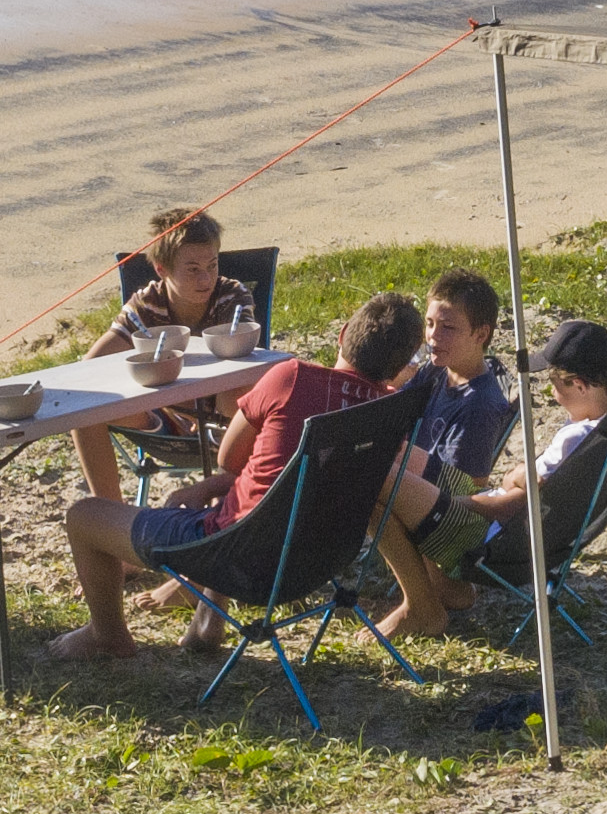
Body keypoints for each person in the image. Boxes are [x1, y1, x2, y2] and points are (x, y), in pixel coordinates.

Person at [52, 289, 423, 663]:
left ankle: (107, 636)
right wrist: (211, 486)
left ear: (342, 334)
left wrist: (213, 481)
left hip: (239, 557)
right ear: (401, 366)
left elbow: (230, 458)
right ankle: (207, 620)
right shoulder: (389, 412)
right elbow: (285, 478)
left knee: (84, 516)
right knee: (247, 499)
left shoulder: (292, 377)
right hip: (318, 561)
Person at [371, 270, 521, 640]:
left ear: (480, 334)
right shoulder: (439, 373)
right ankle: (447, 589)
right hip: (430, 496)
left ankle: (420, 606)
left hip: (457, 513)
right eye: (430, 323)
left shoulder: (480, 405)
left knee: (371, 487)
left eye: (448, 328)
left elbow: (471, 485)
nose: (433, 337)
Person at [454, 318, 607, 616]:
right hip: (555, 539)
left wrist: (513, 475)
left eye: (554, 385)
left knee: (414, 494)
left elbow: (529, 486)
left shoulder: (578, 438)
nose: (553, 395)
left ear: (579, 385)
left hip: (505, 540)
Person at [79, 204, 244, 503]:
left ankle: (228, 505)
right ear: (161, 269)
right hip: (168, 418)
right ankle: (109, 515)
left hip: (227, 423)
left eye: (212, 265)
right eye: (193, 270)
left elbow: (242, 365)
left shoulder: (230, 296)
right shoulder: (147, 305)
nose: (205, 280)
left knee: (238, 383)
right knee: (84, 411)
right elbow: (92, 365)